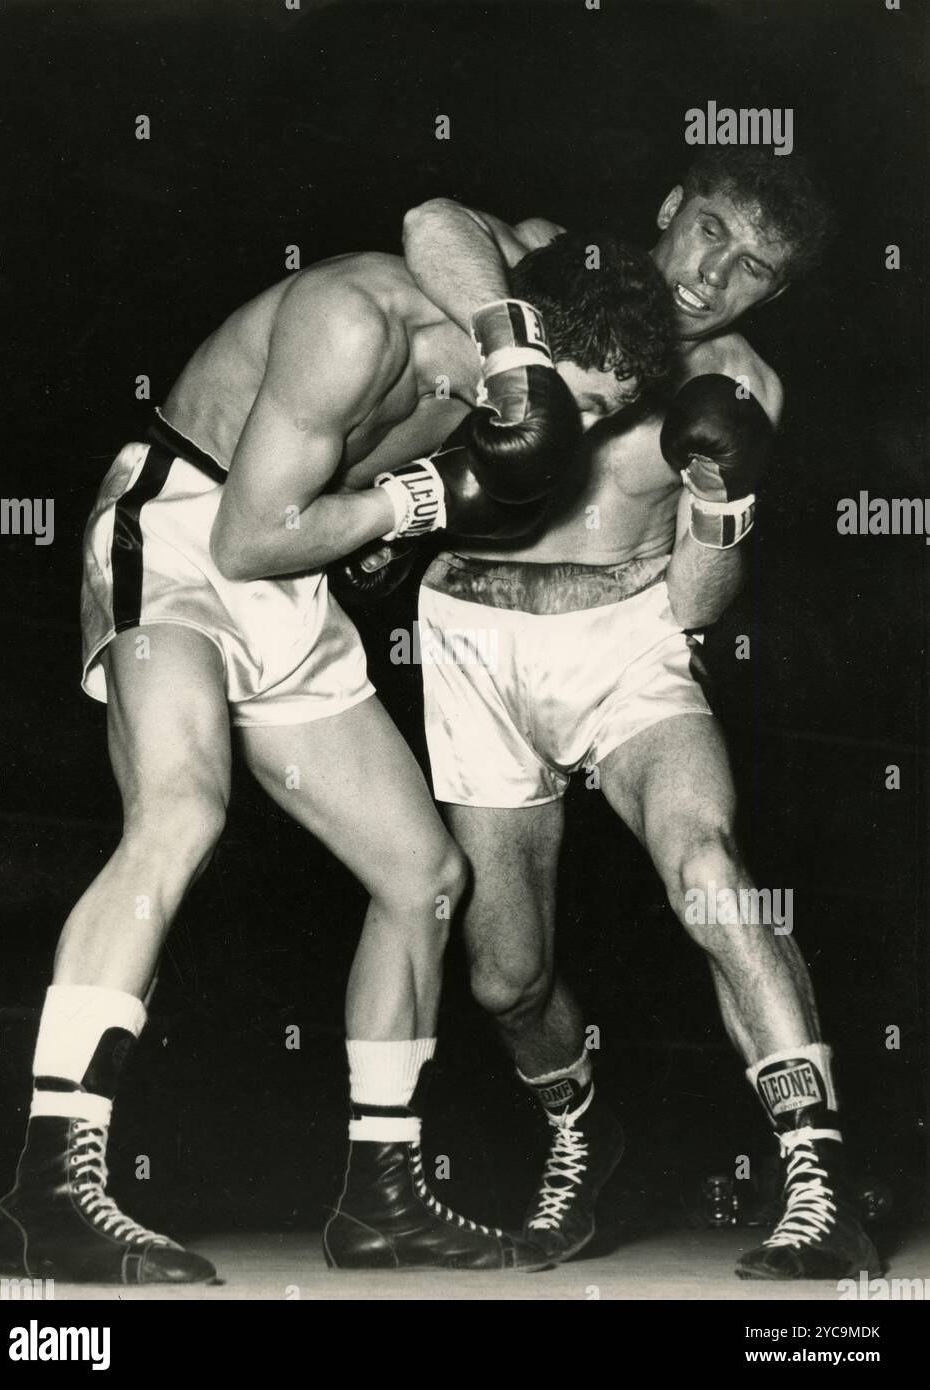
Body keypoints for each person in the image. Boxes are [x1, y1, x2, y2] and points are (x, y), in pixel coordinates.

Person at [0, 236, 674, 1283]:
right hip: (183, 535)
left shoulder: (500, 342)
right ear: (514, 343)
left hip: (293, 588)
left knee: (425, 878)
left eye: (599, 414)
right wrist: (428, 503)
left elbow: (475, 222)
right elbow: (245, 541)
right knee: (181, 812)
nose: (568, 434)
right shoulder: (355, 320)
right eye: (568, 399)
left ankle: (382, 1197)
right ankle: (45, 1191)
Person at [399, 149, 880, 1280]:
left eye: (753, 268)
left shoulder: (743, 388)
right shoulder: (544, 265)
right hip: (469, 638)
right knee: (504, 978)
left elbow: (697, 608)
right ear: (667, 208)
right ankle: (582, 1138)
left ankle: (816, 1183)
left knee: (707, 865)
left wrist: (718, 499)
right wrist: (513, 341)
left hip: (625, 643)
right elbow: (428, 217)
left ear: (775, 293)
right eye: (710, 231)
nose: (715, 278)